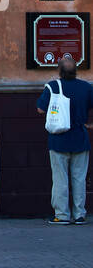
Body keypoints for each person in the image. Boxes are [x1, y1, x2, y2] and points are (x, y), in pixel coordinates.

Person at [36, 52, 93, 224]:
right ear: (76, 70)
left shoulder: (52, 86)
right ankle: (79, 214)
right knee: (79, 179)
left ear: (59, 71)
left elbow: (40, 109)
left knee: (60, 179)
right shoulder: (86, 87)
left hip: (58, 139)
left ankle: (61, 215)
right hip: (80, 139)